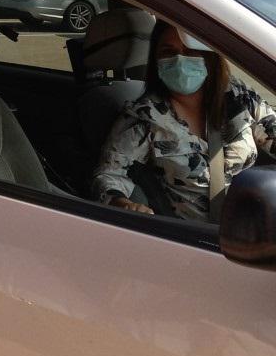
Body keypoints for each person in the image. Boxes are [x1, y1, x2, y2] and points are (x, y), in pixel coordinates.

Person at [92, 20, 276, 219]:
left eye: (190, 50)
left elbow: (271, 128)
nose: (179, 60)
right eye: (168, 52)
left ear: (208, 54)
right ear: (156, 59)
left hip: (257, 220)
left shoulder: (237, 96)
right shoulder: (144, 117)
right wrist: (124, 203)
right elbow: (108, 175)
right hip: (197, 237)